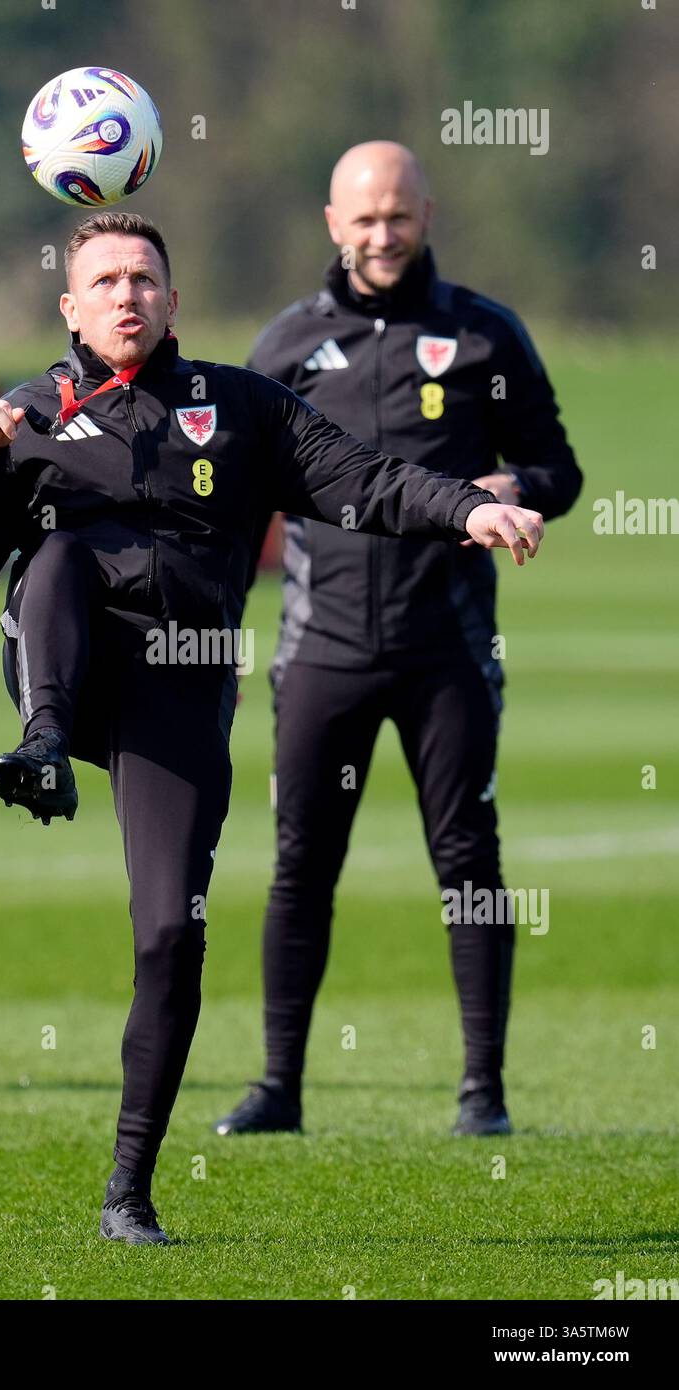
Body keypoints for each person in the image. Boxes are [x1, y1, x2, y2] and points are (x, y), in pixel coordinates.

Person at [0, 209, 546, 1244]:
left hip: (179, 689)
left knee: (170, 934)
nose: (127, 294)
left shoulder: (245, 407)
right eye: (106, 281)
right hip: (61, 666)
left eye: (144, 278)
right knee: (66, 559)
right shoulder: (29, 414)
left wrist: (465, 508)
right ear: (70, 307)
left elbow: (368, 480)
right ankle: (42, 746)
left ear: (174, 299)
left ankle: (129, 1191)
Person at [214, 143, 581, 1143]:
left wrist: (514, 490)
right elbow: (239, 506)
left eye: (399, 217)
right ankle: (279, 1086)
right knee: (300, 867)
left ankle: (482, 1092)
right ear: (331, 222)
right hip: (318, 648)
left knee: (468, 861)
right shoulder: (284, 348)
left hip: (445, 649)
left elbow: (557, 467)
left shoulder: (483, 335)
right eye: (363, 219)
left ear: (428, 214)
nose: (382, 236)